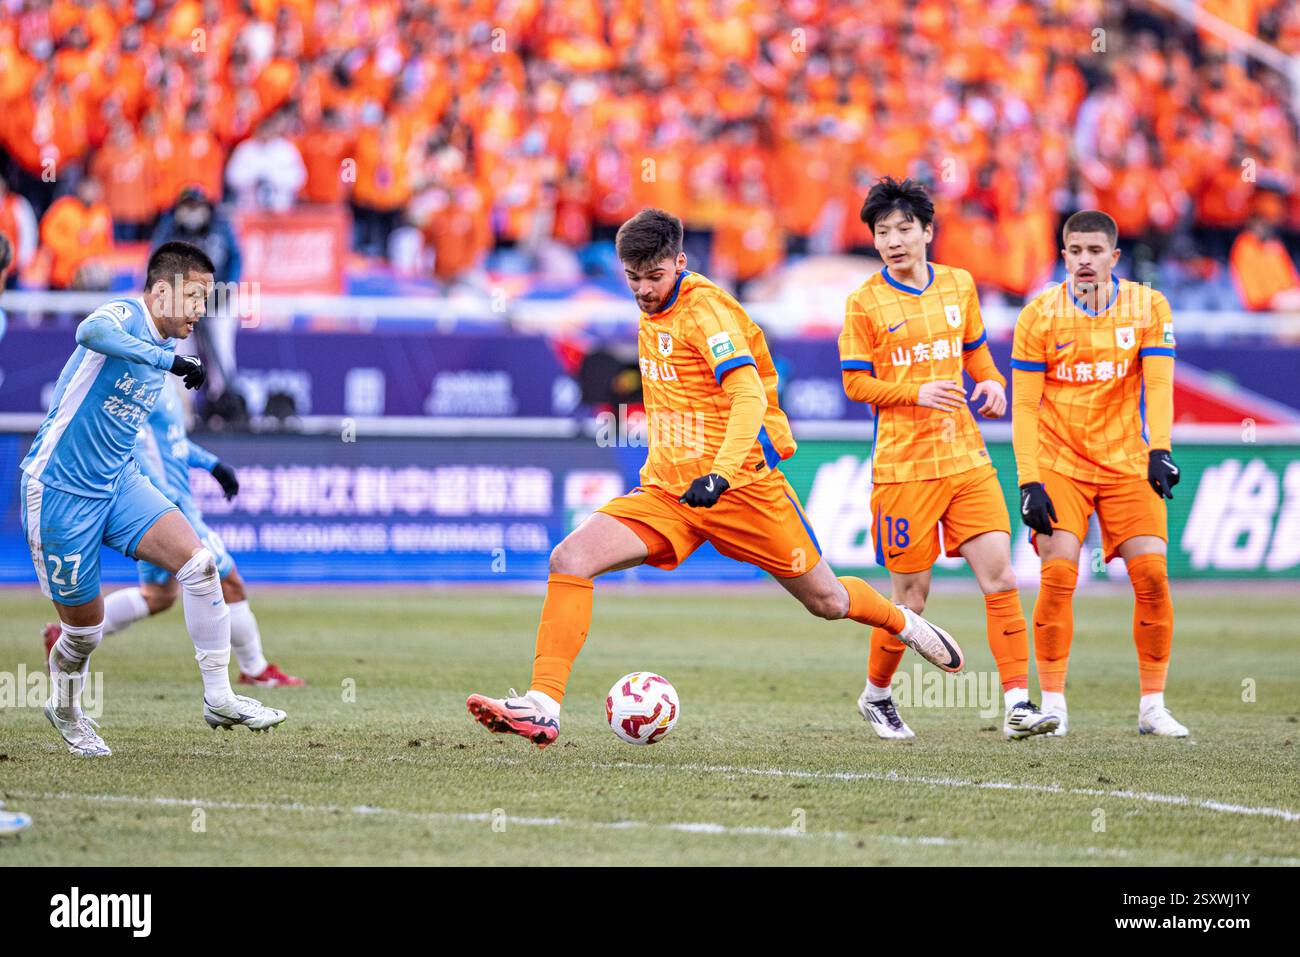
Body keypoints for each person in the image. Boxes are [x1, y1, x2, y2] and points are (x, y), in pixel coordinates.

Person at [466, 208, 965, 749]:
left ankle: (905, 624)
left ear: (680, 262)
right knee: (570, 558)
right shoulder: (650, 306)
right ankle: (542, 706)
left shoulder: (707, 312)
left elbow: (748, 396)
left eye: (654, 277)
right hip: (668, 491)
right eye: (631, 278)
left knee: (828, 602)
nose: (642, 289)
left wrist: (722, 474)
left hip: (743, 489)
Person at [19, 241, 287, 756]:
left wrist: (205, 463)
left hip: (120, 482)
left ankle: (219, 697)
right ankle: (66, 707)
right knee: (84, 635)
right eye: (193, 297)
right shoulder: (124, 315)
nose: (199, 311)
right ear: (160, 290)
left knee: (200, 564)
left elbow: (135, 436)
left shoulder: (166, 355)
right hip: (58, 491)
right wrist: (166, 360)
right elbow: (87, 331)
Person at [840, 177, 1057, 740]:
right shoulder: (864, 301)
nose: (894, 240)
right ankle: (878, 695)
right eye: (882, 232)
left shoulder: (959, 285)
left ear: (928, 231)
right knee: (910, 597)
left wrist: (991, 385)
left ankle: (1017, 704)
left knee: (1002, 575)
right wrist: (914, 393)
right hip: (903, 469)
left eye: (904, 229)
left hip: (967, 459)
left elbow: (976, 353)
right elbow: (855, 384)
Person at [1012, 209, 1186, 737]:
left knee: (1152, 577)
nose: (1084, 261)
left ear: (1114, 257)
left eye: (1094, 252)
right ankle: (1055, 704)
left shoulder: (1148, 306)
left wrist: (1160, 449)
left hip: (1126, 461)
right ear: (1063, 255)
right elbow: (1024, 406)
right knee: (1059, 574)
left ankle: (1152, 706)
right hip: (1059, 462)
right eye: (1074, 251)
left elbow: (1157, 385)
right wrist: (1029, 480)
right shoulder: (1038, 315)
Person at [43, 375, 304, 688]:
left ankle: (66, 637)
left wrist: (213, 465)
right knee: (230, 581)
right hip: (168, 511)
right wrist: (162, 499)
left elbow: (174, 439)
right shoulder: (134, 379)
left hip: (167, 509)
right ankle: (255, 669)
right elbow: (129, 446)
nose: (190, 325)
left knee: (159, 596)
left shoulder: (159, 377)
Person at [151, 187, 244, 399]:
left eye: (196, 207)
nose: (192, 212)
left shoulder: (220, 228)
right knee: (181, 351)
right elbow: (156, 264)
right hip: (181, 303)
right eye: (187, 207)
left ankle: (222, 403)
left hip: (218, 298)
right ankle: (184, 407)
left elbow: (236, 259)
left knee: (220, 347)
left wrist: (228, 287)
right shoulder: (169, 230)